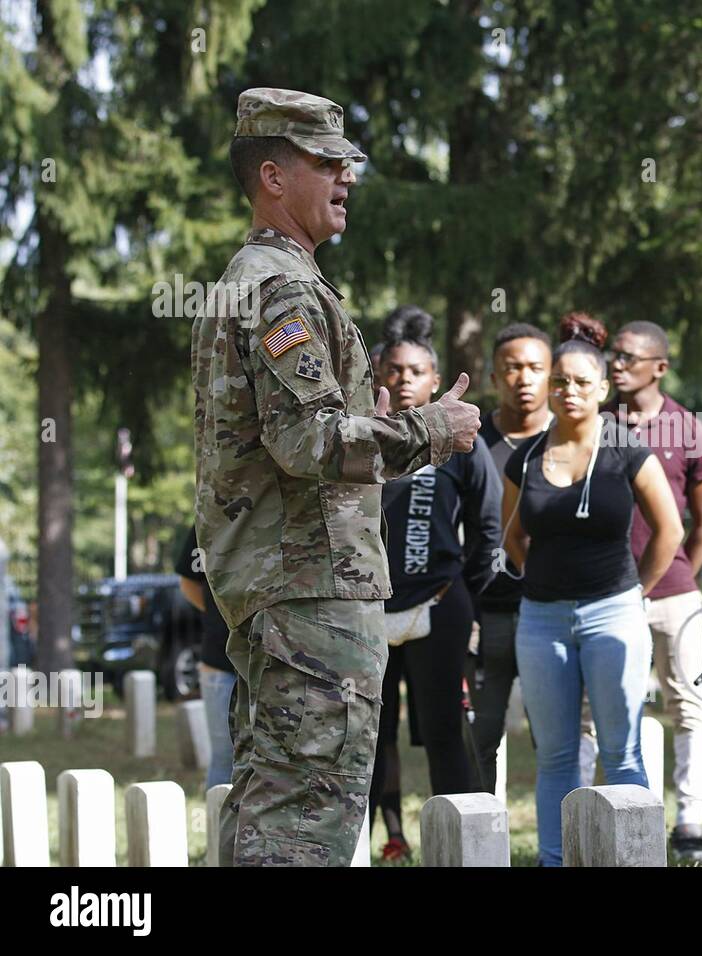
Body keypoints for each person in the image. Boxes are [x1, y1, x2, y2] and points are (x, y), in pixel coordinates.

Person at [193, 88, 480, 867]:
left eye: (348, 162)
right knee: (306, 825)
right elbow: (307, 442)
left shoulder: (250, 279)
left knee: (270, 810)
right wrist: (432, 430)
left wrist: (372, 421)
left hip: (284, 588)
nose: (347, 177)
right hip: (313, 592)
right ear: (273, 178)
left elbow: (289, 439)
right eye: (327, 162)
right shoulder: (282, 287)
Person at [500, 313, 683, 867]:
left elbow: (670, 531)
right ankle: (556, 860)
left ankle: (636, 857)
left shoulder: (628, 450)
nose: (569, 391)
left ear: (603, 389)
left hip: (614, 613)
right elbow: (513, 537)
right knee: (555, 755)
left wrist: (632, 595)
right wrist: (545, 582)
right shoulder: (525, 457)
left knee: (620, 750)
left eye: (582, 382)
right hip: (542, 620)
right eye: (560, 381)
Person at [367, 306, 502, 861]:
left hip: (439, 606)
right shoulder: (360, 435)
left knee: (444, 730)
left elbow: (488, 524)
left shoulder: (461, 441)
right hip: (366, 611)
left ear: (436, 380)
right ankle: (388, 837)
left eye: (416, 371)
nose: (404, 380)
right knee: (372, 735)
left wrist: (459, 588)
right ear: (379, 374)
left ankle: (460, 845)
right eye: (394, 370)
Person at [605, 320, 702, 859]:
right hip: (606, 592)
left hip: (674, 594)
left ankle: (691, 820)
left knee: (688, 705)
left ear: (660, 367)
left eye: (628, 357)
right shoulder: (595, 424)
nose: (616, 365)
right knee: (602, 707)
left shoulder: (688, 430)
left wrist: (680, 572)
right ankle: (605, 812)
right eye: (613, 356)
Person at [470, 322, 553, 795]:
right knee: (479, 734)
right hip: (486, 611)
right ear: (494, 376)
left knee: (555, 737)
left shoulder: (572, 437)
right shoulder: (471, 439)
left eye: (535, 368)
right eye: (512, 368)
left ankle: (560, 843)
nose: (523, 378)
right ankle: (478, 839)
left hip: (550, 609)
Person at [175, 524, 237, 790]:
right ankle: (219, 831)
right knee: (224, 761)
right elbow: (188, 581)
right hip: (219, 662)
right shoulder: (207, 518)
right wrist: (219, 617)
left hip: (272, 661)